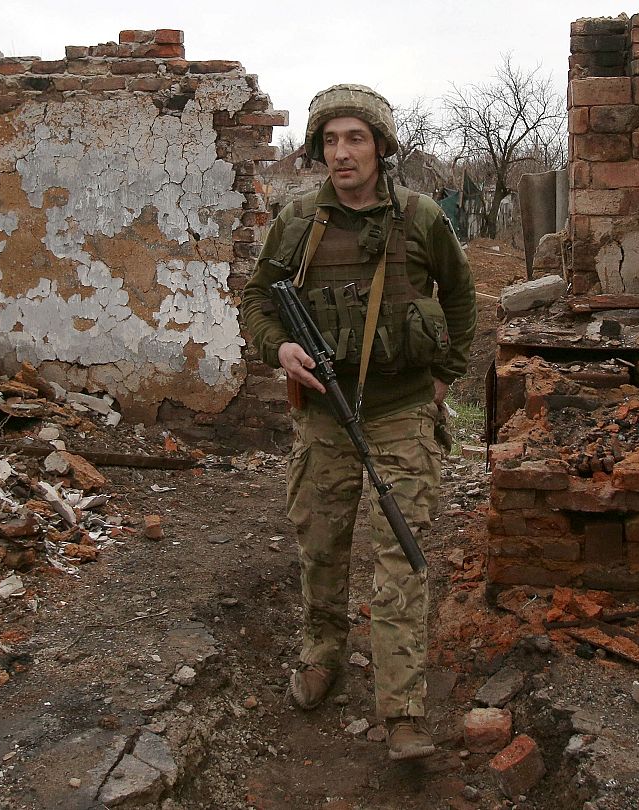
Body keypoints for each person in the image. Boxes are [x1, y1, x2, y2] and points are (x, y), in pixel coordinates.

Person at [240, 84, 475, 760]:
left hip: (402, 409)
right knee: (321, 539)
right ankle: (323, 654)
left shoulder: (423, 218)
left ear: (379, 146)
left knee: (401, 550)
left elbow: (459, 297)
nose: (342, 153)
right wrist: (278, 348)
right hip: (323, 412)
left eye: (355, 138)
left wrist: (443, 376)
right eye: (331, 140)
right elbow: (258, 298)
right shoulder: (296, 222)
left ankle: (401, 709)